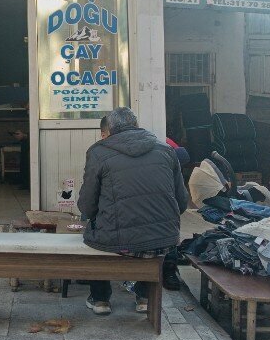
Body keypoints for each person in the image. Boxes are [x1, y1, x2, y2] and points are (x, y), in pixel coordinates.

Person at [78, 107, 189, 316]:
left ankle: (100, 298)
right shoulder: (166, 150)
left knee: (92, 234)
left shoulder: (98, 152)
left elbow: (87, 206)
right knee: (149, 238)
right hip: (163, 240)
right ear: (136, 125)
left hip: (116, 241)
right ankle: (144, 296)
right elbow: (182, 202)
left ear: (109, 130)